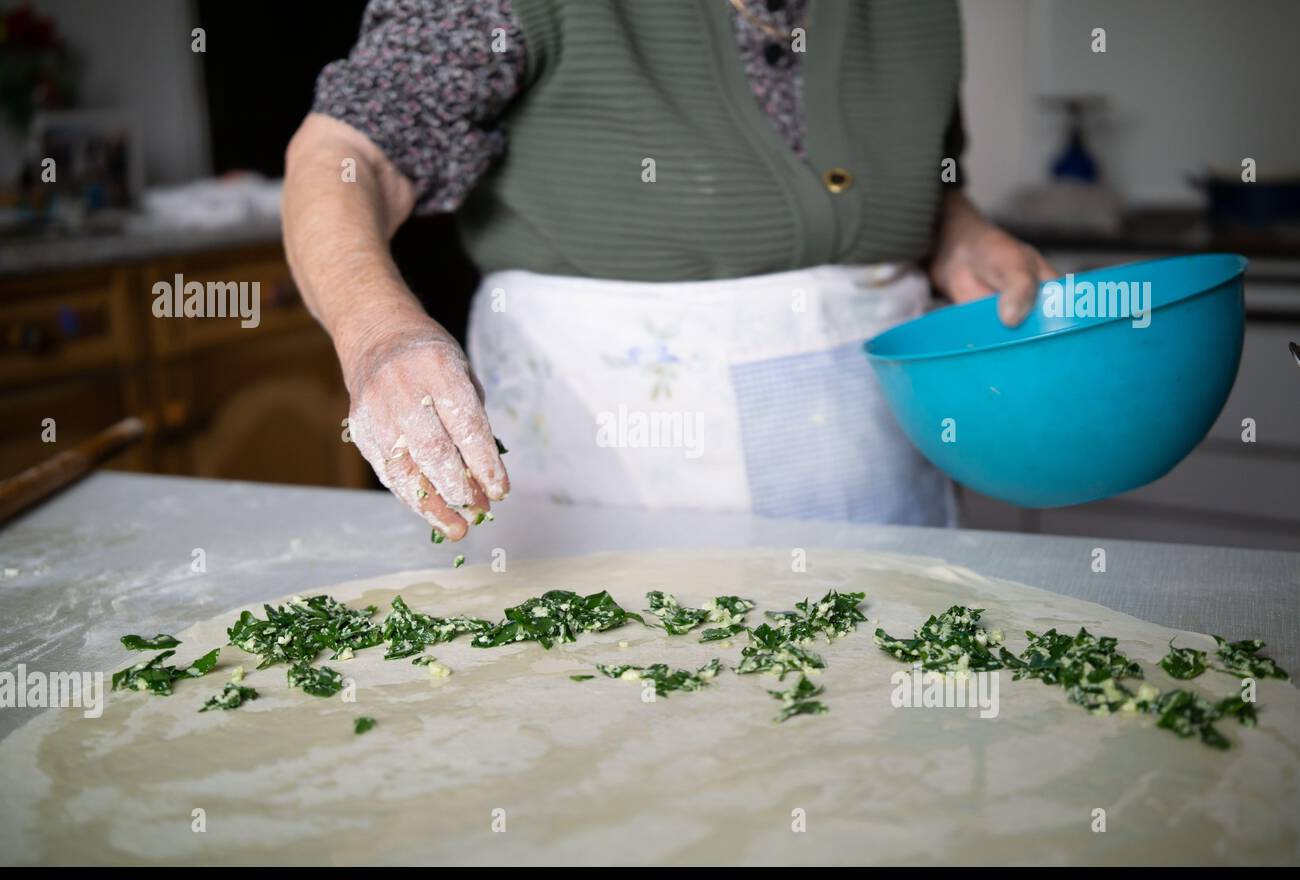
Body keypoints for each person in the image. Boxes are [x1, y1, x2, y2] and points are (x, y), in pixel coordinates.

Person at [283, 0, 1055, 542]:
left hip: (882, 486)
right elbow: (345, 157)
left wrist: (956, 231)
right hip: (608, 487)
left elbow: (923, 166)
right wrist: (378, 335)